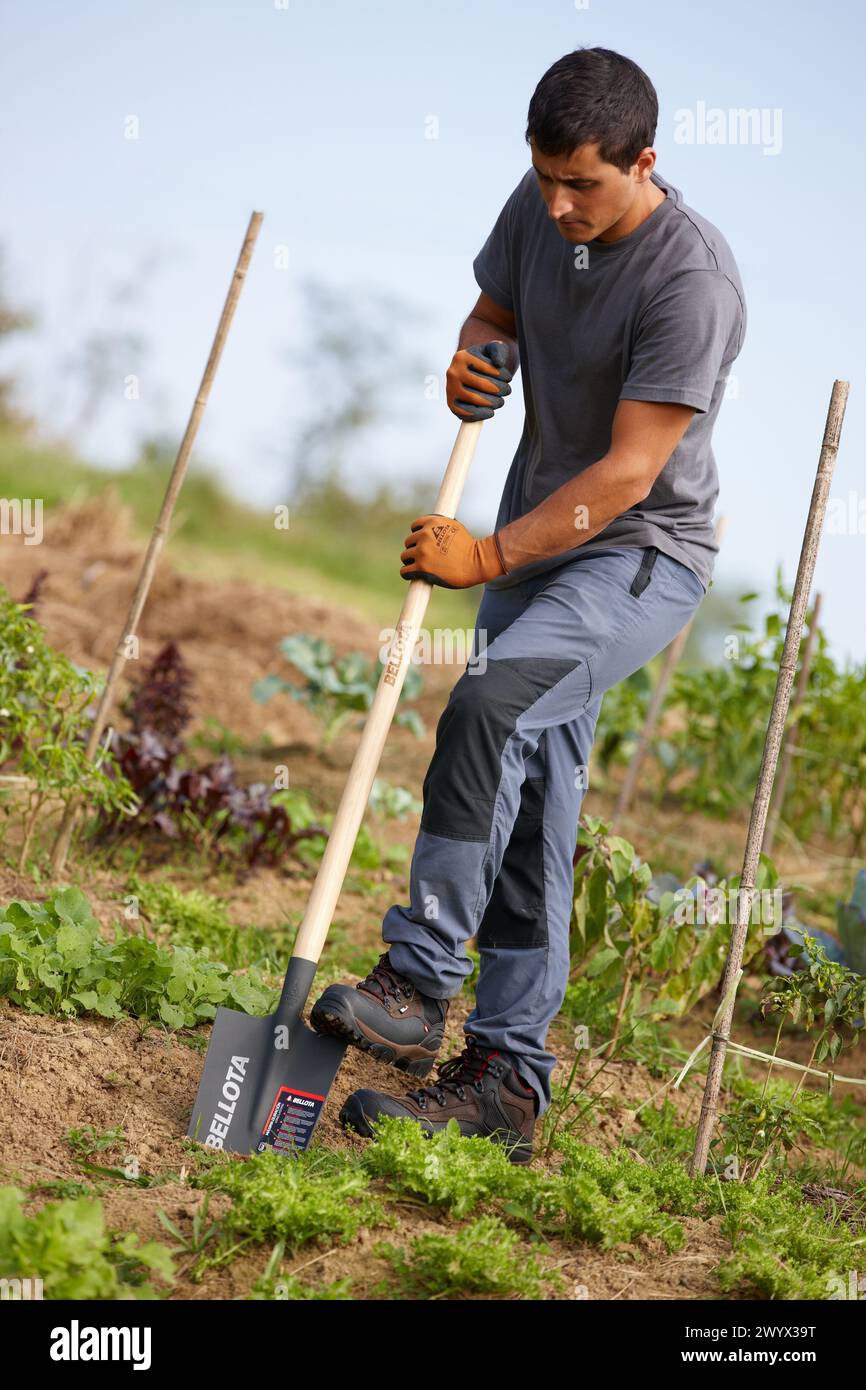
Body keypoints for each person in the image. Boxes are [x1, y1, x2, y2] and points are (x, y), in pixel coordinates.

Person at [311, 45, 746, 1164]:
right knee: (534, 795)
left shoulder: (690, 279)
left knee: (489, 706)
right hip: (536, 551)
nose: (557, 205)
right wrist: (471, 358)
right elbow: (492, 312)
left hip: (635, 557)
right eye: (544, 177)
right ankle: (505, 1077)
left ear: (643, 162)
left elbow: (626, 475)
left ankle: (416, 981)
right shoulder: (542, 200)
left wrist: (487, 554)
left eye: (583, 186)